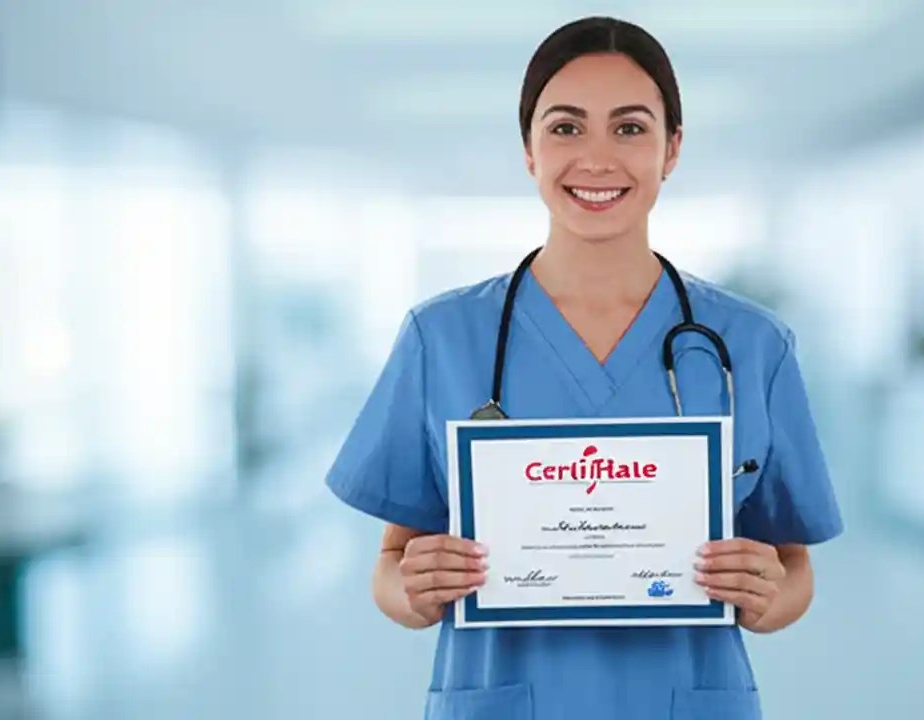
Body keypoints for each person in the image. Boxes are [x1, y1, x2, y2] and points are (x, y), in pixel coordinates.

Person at [325, 15, 843, 720]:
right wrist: (411, 592)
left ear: (672, 149)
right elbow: (391, 564)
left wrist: (767, 596)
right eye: (566, 128)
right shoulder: (440, 338)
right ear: (529, 151)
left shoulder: (752, 345)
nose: (597, 159)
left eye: (629, 128)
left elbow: (795, 568)